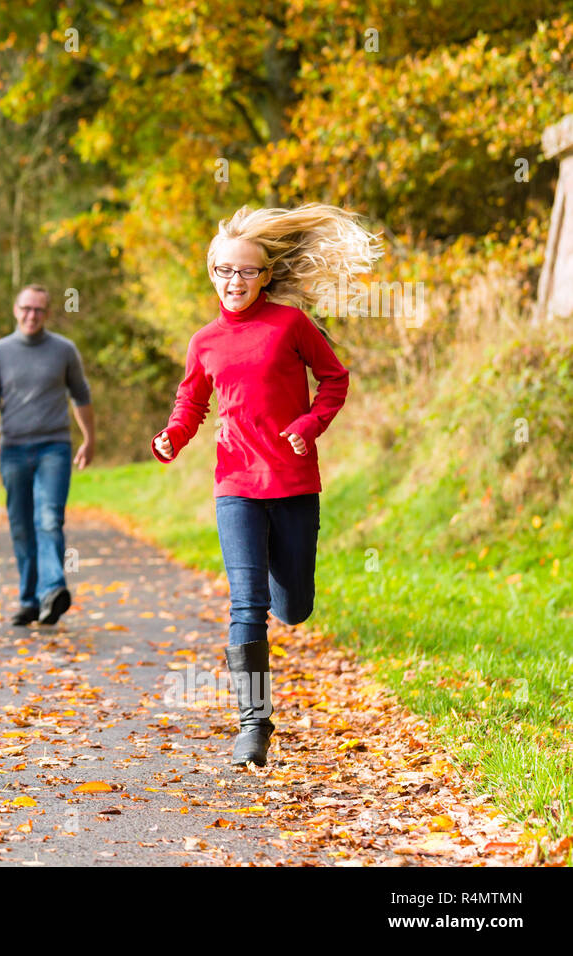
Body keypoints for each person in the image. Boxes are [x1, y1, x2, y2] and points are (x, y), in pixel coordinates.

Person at [151, 203, 380, 767]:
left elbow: (334, 379)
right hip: (235, 485)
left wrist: (308, 425)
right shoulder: (204, 340)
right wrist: (174, 436)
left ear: (265, 275)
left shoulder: (292, 325)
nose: (235, 281)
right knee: (245, 604)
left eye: (247, 271)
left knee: (294, 607)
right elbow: (192, 401)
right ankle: (253, 723)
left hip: (295, 483)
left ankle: (290, 595)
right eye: (224, 271)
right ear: (211, 272)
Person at [0, 283, 95, 627]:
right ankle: (29, 600)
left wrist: (89, 439)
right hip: (13, 449)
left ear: (47, 313)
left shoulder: (63, 350)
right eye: (26, 309)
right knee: (21, 526)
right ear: (15, 310)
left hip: (54, 447)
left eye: (38, 310)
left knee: (48, 518)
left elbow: (81, 395)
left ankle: (53, 591)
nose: (32, 315)